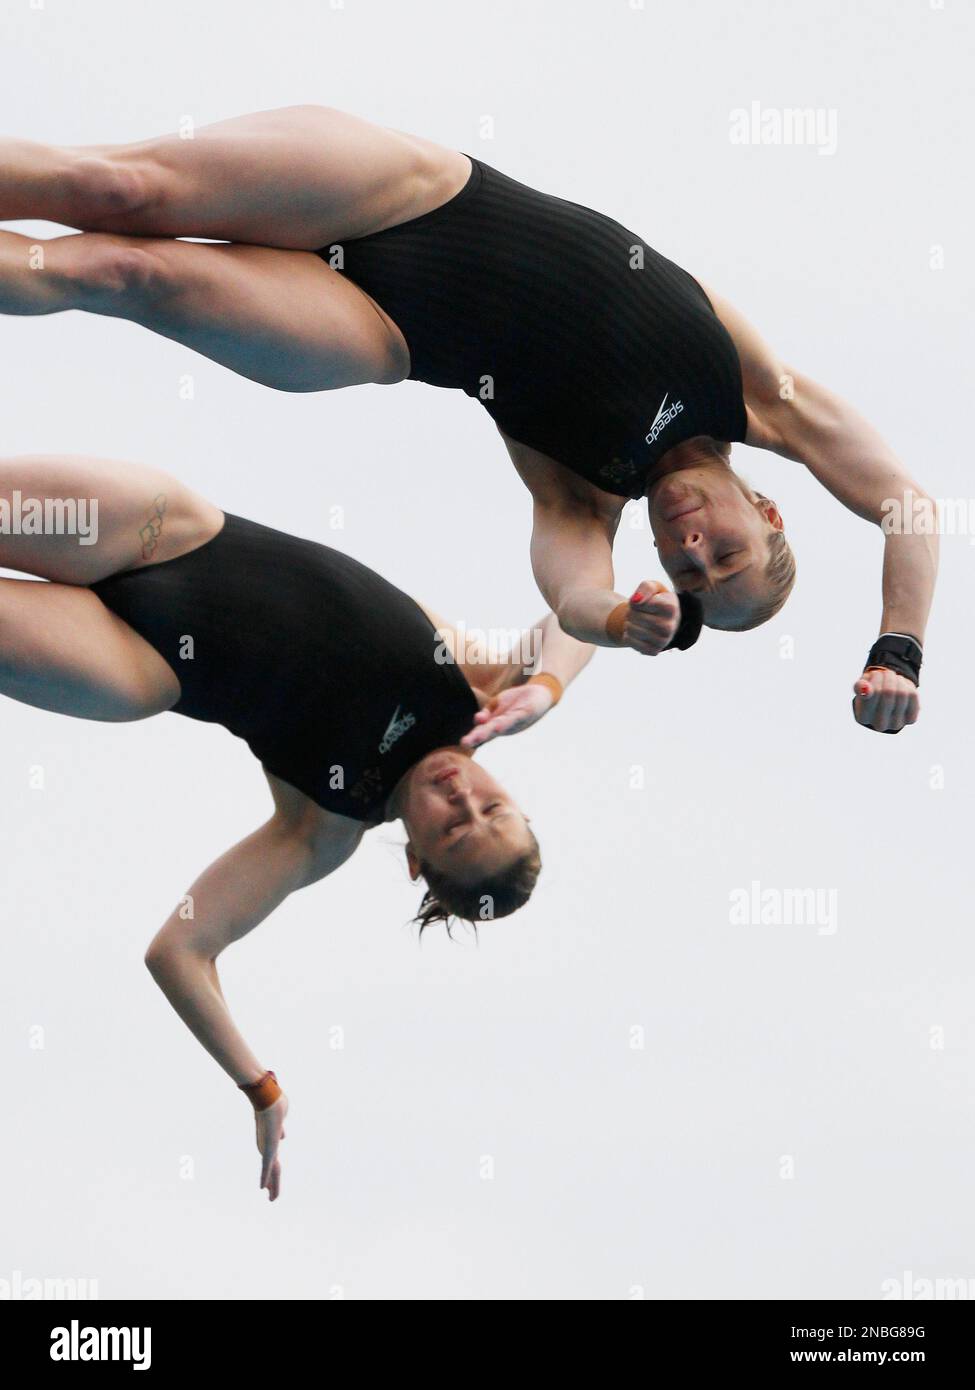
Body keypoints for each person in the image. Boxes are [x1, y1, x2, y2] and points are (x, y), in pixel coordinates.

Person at [0, 105, 934, 730]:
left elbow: (571, 599)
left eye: (683, 569)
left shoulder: (582, 496)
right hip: (418, 194)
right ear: (769, 511)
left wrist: (614, 623)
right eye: (723, 552)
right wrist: (899, 648)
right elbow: (904, 501)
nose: (690, 550)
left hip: (377, 332)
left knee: (122, 272)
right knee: (118, 190)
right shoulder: (763, 397)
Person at [0, 451, 593, 1198]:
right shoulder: (481, 691)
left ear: (416, 859)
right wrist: (545, 689)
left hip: (133, 665)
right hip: (160, 531)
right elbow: (581, 611)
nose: (463, 799)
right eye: (492, 807)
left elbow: (180, 950)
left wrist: (260, 1088)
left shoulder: (322, 825)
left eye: (454, 830)